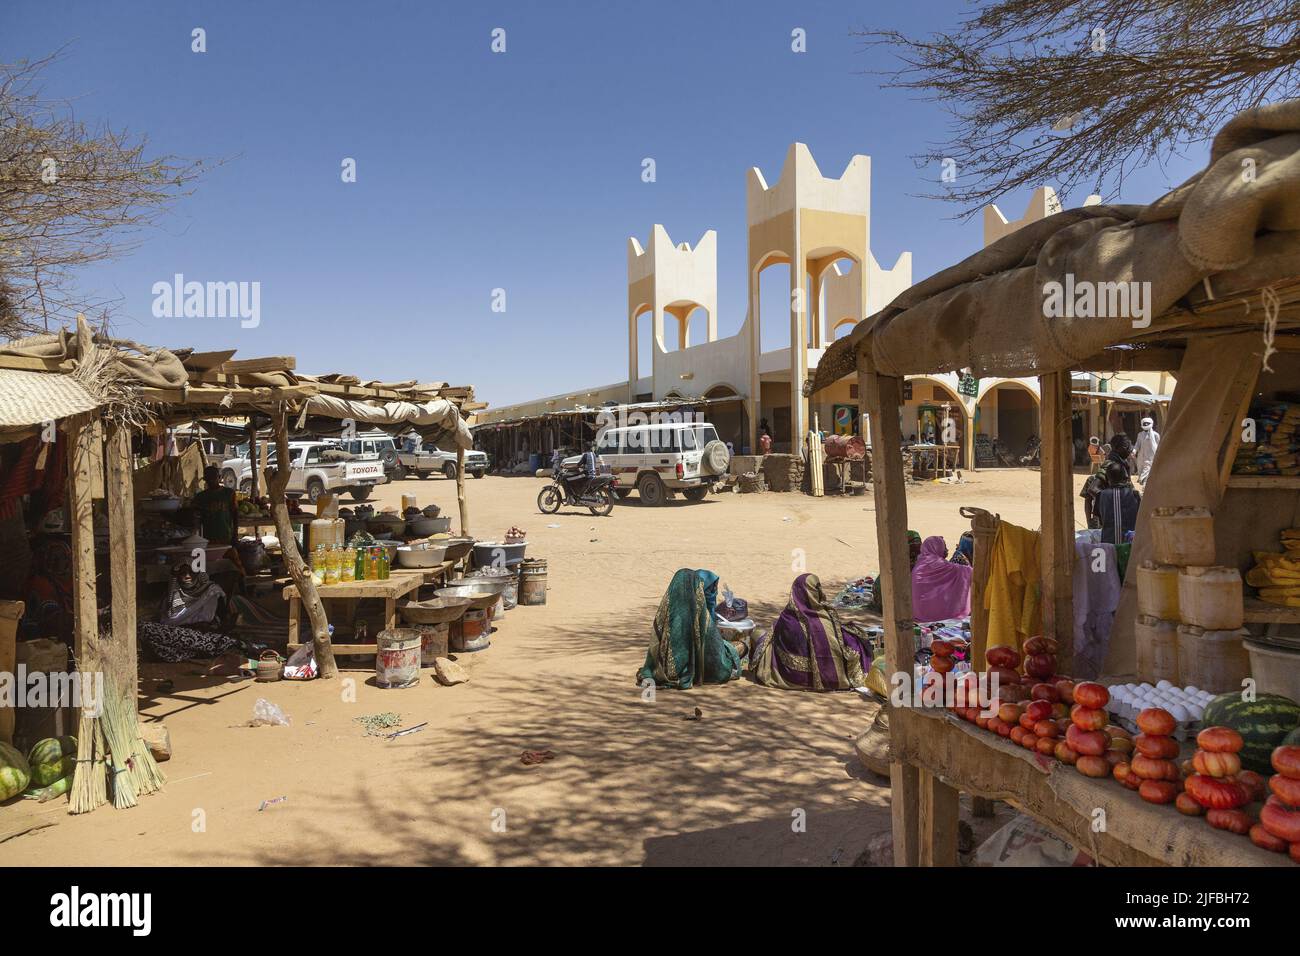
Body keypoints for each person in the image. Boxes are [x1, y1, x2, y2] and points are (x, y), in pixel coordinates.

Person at [751, 573, 872, 691]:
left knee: (758, 634)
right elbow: (835, 646)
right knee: (856, 638)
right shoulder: (822, 621)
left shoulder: (786, 617)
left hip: (789, 675)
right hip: (813, 678)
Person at [637, 568, 741, 689]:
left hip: (665, 668)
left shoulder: (665, 615)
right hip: (706, 670)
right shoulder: (702, 617)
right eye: (711, 589)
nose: (713, 592)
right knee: (739, 647)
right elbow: (716, 655)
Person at [138, 564, 237, 662]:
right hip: (180, 636)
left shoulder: (210, 591)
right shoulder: (174, 593)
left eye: (192, 572)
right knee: (149, 637)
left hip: (201, 634)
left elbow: (208, 619)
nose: (187, 576)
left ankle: (226, 646)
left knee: (142, 628)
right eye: (182, 573)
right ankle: (193, 652)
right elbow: (168, 619)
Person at [911, 536, 973, 622]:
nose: (946, 550)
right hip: (940, 618)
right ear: (937, 548)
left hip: (918, 615)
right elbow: (965, 571)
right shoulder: (940, 565)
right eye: (944, 547)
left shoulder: (918, 565)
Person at [191, 465, 239, 545]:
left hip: (226, 535)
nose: (211, 481)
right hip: (208, 537)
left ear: (219, 477)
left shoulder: (229, 493)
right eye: (208, 478)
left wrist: (235, 534)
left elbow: (235, 514)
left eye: (213, 478)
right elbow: (195, 516)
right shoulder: (201, 497)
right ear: (205, 479)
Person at [1097, 460, 1141, 545]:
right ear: (1125, 478)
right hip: (1130, 546)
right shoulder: (1134, 495)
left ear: (1107, 479)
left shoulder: (1101, 495)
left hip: (1108, 546)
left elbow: (1101, 520)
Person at [1134, 416, 1160, 484]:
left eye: (1147, 423)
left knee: (1147, 470)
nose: (1145, 425)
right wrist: (1134, 451)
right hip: (1141, 457)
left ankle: (1144, 483)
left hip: (1150, 457)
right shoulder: (1140, 434)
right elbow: (1137, 444)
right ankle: (1143, 481)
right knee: (1140, 469)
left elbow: (1159, 445)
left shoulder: (1155, 435)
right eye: (1144, 423)